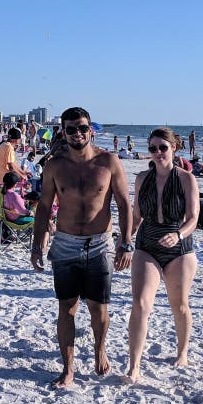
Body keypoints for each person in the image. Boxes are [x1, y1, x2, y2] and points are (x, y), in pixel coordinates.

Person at [31, 107, 133, 388]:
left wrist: (126, 243)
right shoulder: (55, 166)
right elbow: (43, 207)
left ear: (91, 130)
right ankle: (68, 368)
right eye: (71, 129)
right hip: (65, 244)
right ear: (63, 132)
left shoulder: (108, 162)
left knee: (98, 309)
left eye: (83, 128)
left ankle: (100, 348)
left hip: (100, 244)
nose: (78, 133)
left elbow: (124, 204)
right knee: (67, 308)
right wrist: (37, 243)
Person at [126, 127, 199, 383]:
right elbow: (136, 216)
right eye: (153, 148)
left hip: (179, 248)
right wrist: (125, 240)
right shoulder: (141, 178)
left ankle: (182, 352)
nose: (157, 153)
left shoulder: (186, 179)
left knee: (178, 304)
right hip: (147, 244)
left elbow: (193, 218)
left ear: (173, 148)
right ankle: (134, 366)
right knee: (141, 304)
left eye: (162, 148)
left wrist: (178, 234)